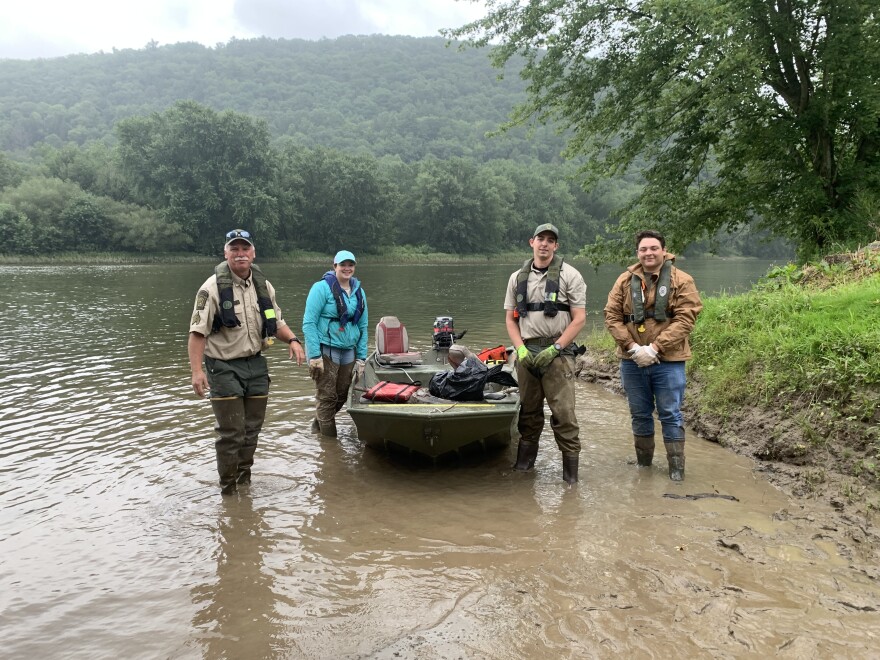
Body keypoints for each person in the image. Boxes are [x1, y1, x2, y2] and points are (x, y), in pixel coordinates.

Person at [188, 229, 305, 495]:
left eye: (245, 249)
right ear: (226, 253)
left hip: (256, 365)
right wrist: (197, 371)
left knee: (252, 431)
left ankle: (244, 485)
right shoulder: (211, 288)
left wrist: (294, 341)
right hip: (223, 366)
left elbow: (276, 323)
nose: (240, 254)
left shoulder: (264, 286)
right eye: (234, 249)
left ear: (253, 253)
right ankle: (228, 492)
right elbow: (197, 333)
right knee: (231, 433)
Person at [603, 229, 703, 481]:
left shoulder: (683, 280)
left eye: (653, 248)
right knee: (639, 413)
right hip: (631, 360)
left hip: (669, 360)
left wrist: (655, 348)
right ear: (638, 253)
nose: (648, 253)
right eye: (643, 249)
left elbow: (685, 319)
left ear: (663, 250)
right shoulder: (624, 281)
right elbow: (612, 316)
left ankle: (677, 471)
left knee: (670, 413)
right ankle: (644, 467)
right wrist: (633, 348)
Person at [504, 223, 587, 484]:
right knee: (528, 413)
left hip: (557, 354)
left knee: (564, 415)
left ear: (556, 246)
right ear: (532, 242)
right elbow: (510, 319)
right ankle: (523, 470)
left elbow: (579, 318)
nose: (545, 244)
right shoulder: (517, 277)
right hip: (527, 352)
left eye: (550, 240)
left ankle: (570, 480)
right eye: (541, 239)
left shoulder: (571, 275)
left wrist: (557, 347)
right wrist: (519, 348)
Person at [302, 250, 368, 437]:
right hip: (325, 350)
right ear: (335, 266)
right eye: (343, 265)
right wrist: (314, 355)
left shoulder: (359, 291)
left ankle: (317, 426)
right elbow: (309, 323)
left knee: (341, 395)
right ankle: (330, 445)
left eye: (351, 265)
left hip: (349, 350)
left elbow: (363, 326)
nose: (347, 268)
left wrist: (361, 358)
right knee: (327, 396)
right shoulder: (320, 288)